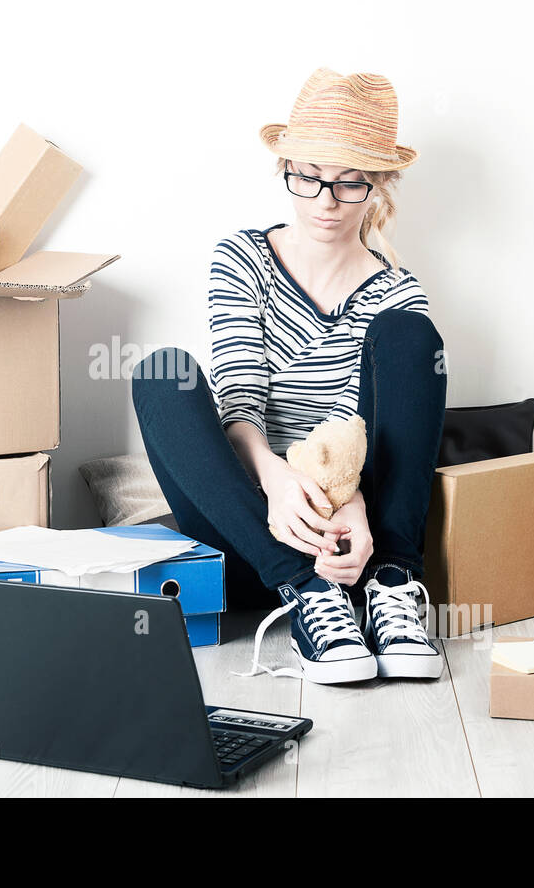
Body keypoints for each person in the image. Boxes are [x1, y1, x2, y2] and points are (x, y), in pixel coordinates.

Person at [131, 68, 447, 684]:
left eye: (349, 183)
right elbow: (239, 402)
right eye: (308, 177)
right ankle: (306, 596)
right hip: (253, 535)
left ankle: (394, 587)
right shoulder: (242, 257)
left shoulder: (397, 291)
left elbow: (365, 435)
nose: (325, 201)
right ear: (286, 172)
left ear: (378, 185)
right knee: (159, 373)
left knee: (411, 336)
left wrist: (351, 505)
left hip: (355, 542)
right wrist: (274, 482)